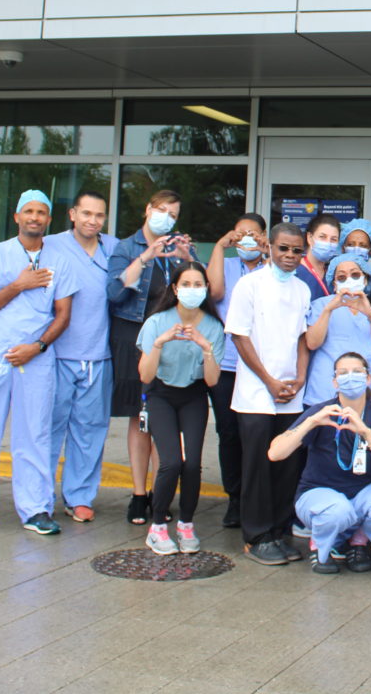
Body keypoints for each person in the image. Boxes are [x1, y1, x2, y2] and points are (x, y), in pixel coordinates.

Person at [0, 190, 77, 537]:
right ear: (17, 217)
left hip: (35, 360)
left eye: (41, 212)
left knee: (35, 434)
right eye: (29, 211)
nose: (35, 217)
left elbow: (63, 315)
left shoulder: (61, 261)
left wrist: (37, 346)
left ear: (49, 220)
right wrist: (19, 285)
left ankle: (36, 509)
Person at [270, 352, 371, 574]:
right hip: (319, 494)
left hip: (361, 494)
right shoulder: (322, 411)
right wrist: (311, 422)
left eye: (357, 372)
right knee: (338, 510)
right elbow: (275, 453)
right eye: (343, 373)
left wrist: (367, 433)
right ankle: (321, 545)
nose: (350, 377)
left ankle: (357, 541)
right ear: (334, 381)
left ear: (369, 378)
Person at [225, 222, 312, 566]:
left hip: (291, 393)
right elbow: (239, 336)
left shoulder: (303, 290)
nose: (290, 256)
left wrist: (300, 378)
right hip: (256, 395)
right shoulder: (249, 285)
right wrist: (269, 381)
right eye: (283, 249)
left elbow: (303, 339)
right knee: (258, 466)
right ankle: (256, 536)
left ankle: (279, 531)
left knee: (287, 466)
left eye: (296, 250)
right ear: (270, 248)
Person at [107, 189, 195, 525]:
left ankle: (162, 494)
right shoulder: (127, 248)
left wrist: (186, 259)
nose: (166, 218)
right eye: (162, 210)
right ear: (148, 209)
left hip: (169, 341)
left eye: (173, 214)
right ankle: (138, 494)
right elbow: (114, 293)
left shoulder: (175, 252)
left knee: (165, 421)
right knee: (139, 419)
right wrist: (145, 257)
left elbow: (193, 293)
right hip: (133, 339)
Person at [137, 262, 224, 555]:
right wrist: (160, 344)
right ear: (174, 289)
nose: (191, 290)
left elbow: (212, 380)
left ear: (206, 289)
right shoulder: (157, 322)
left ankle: (186, 524)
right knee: (171, 462)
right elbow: (145, 375)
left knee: (192, 463)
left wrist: (206, 348)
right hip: (161, 395)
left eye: (197, 284)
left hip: (194, 396)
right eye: (185, 285)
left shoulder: (213, 326)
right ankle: (158, 526)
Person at [42, 190, 117, 525]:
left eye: (99, 215)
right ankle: (38, 497)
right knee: (48, 428)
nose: (93, 221)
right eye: (86, 213)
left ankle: (80, 496)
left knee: (90, 430)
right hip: (57, 355)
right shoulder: (51, 245)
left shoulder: (113, 249)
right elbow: (12, 259)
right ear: (73, 214)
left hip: (98, 356)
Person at [204, 211, 267, 529]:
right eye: (240, 233)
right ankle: (235, 498)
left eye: (253, 234)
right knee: (228, 433)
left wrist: (268, 251)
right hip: (227, 363)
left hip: (260, 364)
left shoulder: (272, 268)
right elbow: (213, 293)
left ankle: (257, 496)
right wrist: (219, 247)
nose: (246, 240)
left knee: (255, 433)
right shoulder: (226, 265)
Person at [304, 252, 371, 405]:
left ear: (365, 279)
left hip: (363, 389)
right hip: (325, 391)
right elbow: (312, 343)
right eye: (342, 277)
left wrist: (370, 315)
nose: (349, 280)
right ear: (334, 284)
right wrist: (328, 311)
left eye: (355, 275)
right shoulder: (321, 305)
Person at [296, 213, 343, 303]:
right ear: (309, 238)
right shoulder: (294, 271)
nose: (328, 243)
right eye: (322, 237)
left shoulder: (333, 275)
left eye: (333, 239)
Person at [338, 217, 371, 296]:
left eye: (363, 245)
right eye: (350, 244)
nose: (356, 249)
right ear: (343, 248)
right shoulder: (335, 277)